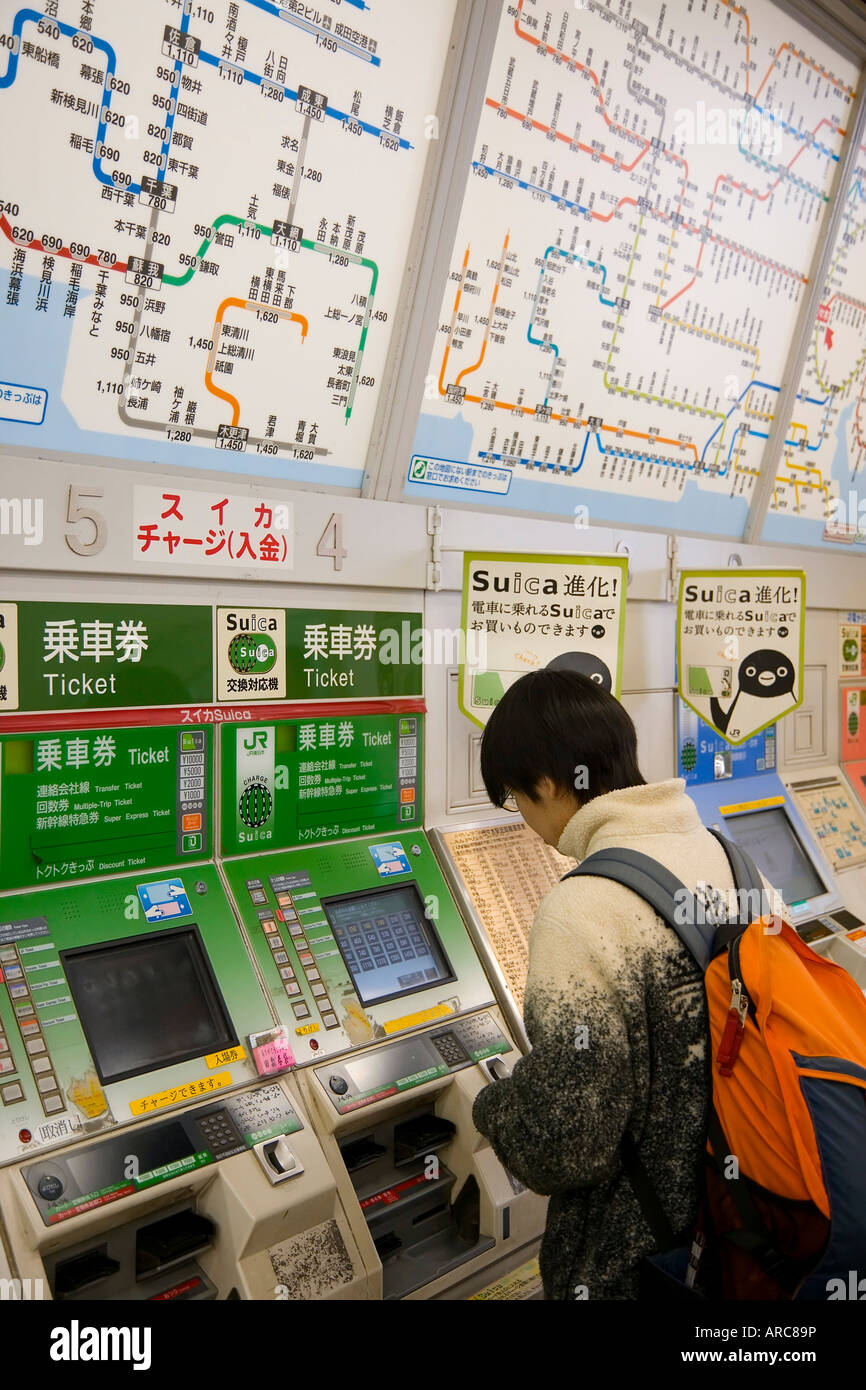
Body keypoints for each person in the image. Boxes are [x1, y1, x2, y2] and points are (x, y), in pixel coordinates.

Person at [472, 668, 778, 1299]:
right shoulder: (738, 863)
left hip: (636, 1262)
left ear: (550, 784)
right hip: (747, 1228)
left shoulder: (584, 907)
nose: (524, 818)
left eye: (516, 798)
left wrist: (492, 1106)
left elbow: (566, 1141)